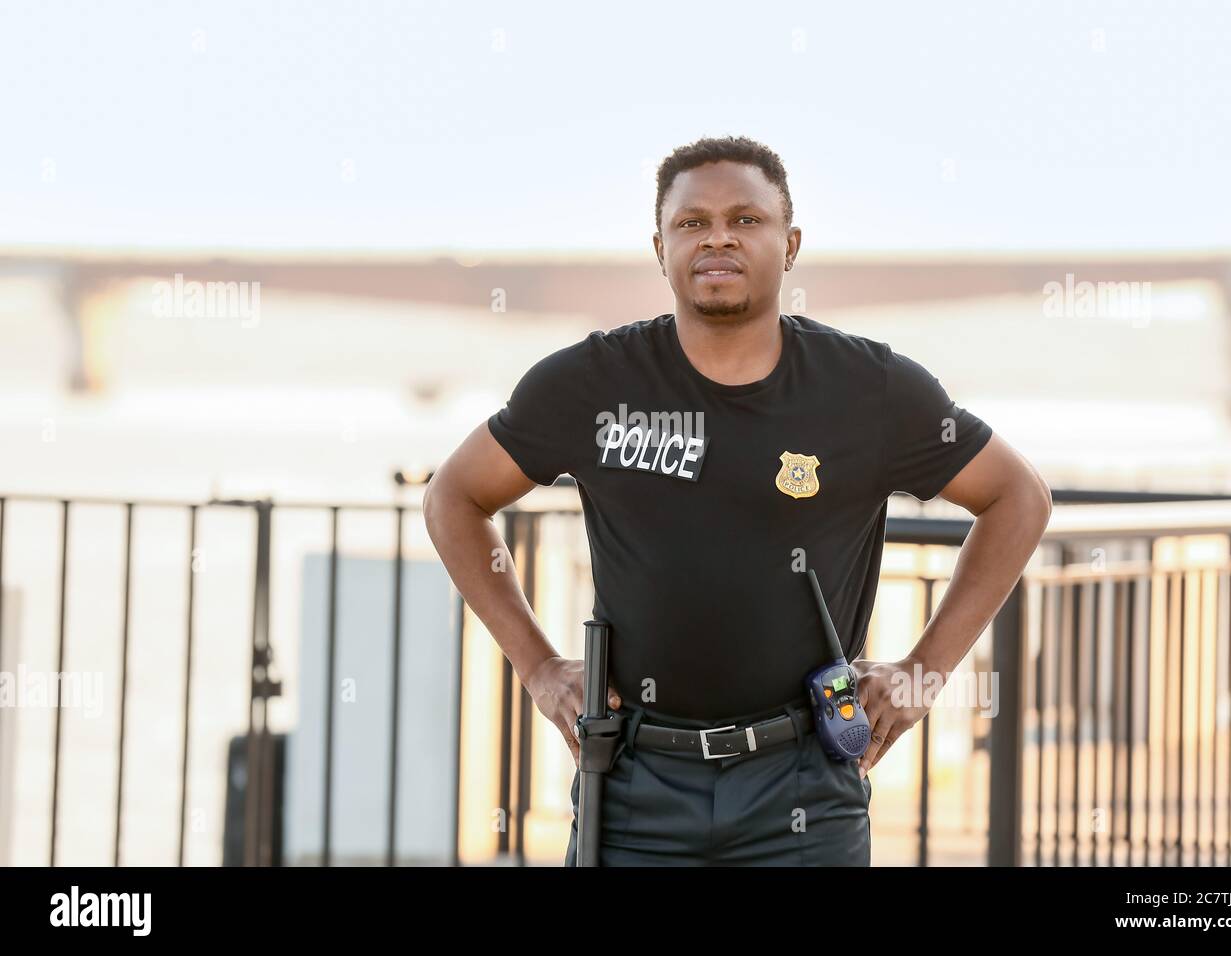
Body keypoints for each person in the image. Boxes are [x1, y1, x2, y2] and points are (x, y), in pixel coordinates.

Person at [423, 135, 1052, 866]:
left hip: (804, 785)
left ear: (790, 244)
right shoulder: (591, 384)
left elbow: (1018, 497)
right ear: (660, 248)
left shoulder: (866, 389)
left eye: (745, 219)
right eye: (691, 223)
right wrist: (536, 667)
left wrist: (923, 671)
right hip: (633, 782)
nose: (717, 236)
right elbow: (454, 497)